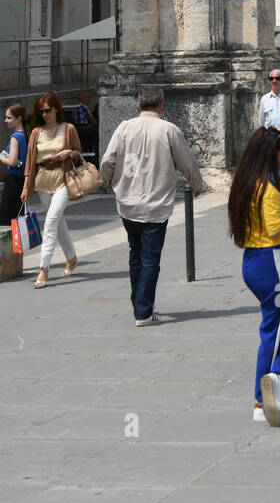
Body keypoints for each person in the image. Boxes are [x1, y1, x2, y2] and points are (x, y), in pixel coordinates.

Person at [227, 126, 280, 426]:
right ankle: (263, 401)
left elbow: (264, 221)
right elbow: (275, 229)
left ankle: (274, 382)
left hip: (257, 259)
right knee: (274, 333)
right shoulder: (267, 188)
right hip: (271, 260)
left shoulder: (249, 183)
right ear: (270, 154)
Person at [99, 86, 203, 325]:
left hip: (127, 201)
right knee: (150, 257)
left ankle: (140, 301)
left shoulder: (124, 127)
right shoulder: (168, 130)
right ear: (161, 105)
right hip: (156, 203)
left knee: (136, 253)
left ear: (138, 105)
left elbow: (107, 161)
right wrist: (196, 184)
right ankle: (143, 310)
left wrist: (113, 181)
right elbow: (187, 163)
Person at [22, 93, 83, 290]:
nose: (45, 114)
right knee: (58, 222)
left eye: (48, 110)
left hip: (63, 179)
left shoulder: (68, 129)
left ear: (57, 109)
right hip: (42, 181)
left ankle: (44, 268)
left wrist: (69, 153)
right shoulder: (36, 132)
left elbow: (78, 154)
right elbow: (31, 161)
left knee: (50, 222)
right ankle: (71, 257)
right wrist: (26, 186)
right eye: (41, 111)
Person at [0, 102, 28, 227]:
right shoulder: (26, 135)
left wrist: (1, 157)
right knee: (18, 217)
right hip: (22, 180)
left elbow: (12, 161)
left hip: (13, 181)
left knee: (7, 218)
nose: (6, 120)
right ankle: (18, 245)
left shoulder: (15, 137)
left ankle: (9, 246)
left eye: (9, 118)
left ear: (19, 118)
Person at [69, 89, 99, 159]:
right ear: (81, 98)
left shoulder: (75, 107)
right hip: (85, 130)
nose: (89, 99)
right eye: (87, 97)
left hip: (78, 130)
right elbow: (93, 121)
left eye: (89, 97)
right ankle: (96, 156)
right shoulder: (83, 106)